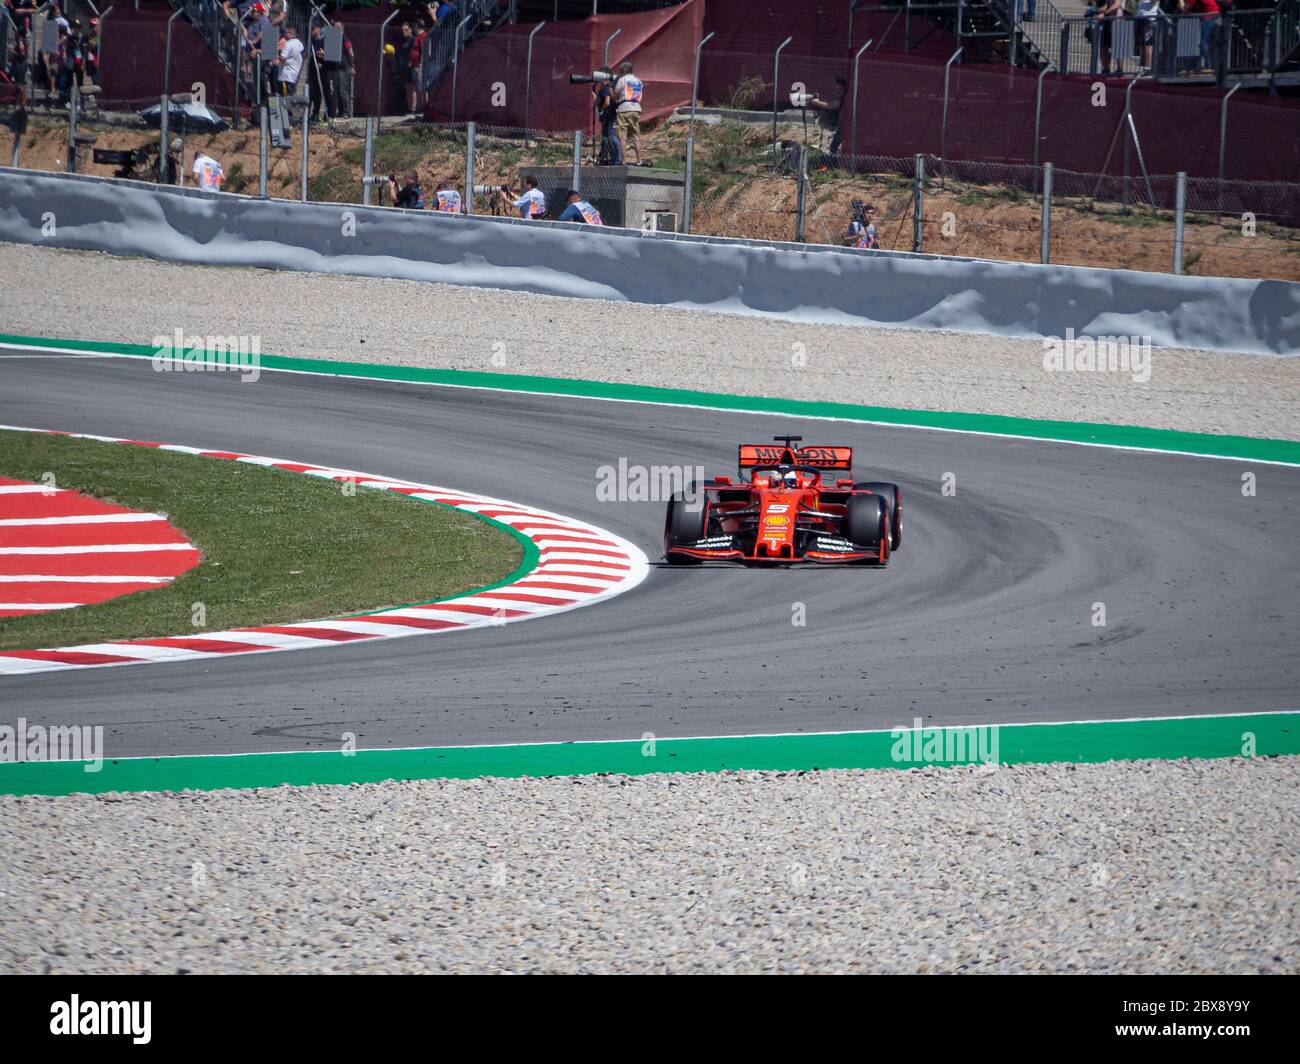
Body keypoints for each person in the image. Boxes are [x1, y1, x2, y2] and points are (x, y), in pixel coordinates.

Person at [612, 61, 643, 166]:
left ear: (623, 71)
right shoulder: (638, 81)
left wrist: (610, 89)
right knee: (636, 136)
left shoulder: (622, 80)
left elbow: (615, 95)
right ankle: (639, 161)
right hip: (636, 109)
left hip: (624, 108)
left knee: (622, 136)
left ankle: (623, 161)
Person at [593, 71, 621, 165]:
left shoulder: (605, 88)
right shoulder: (607, 88)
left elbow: (607, 102)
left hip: (608, 115)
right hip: (609, 115)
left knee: (611, 136)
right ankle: (605, 156)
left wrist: (602, 111)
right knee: (605, 137)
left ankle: (616, 158)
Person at [274, 25, 304, 97]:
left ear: (290, 34)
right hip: (294, 76)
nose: (284, 34)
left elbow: (282, 59)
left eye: (286, 33)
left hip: (286, 77)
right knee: (290, 97)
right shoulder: (300, 44)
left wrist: (273, 61)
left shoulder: (289, 44)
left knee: (284, 96)